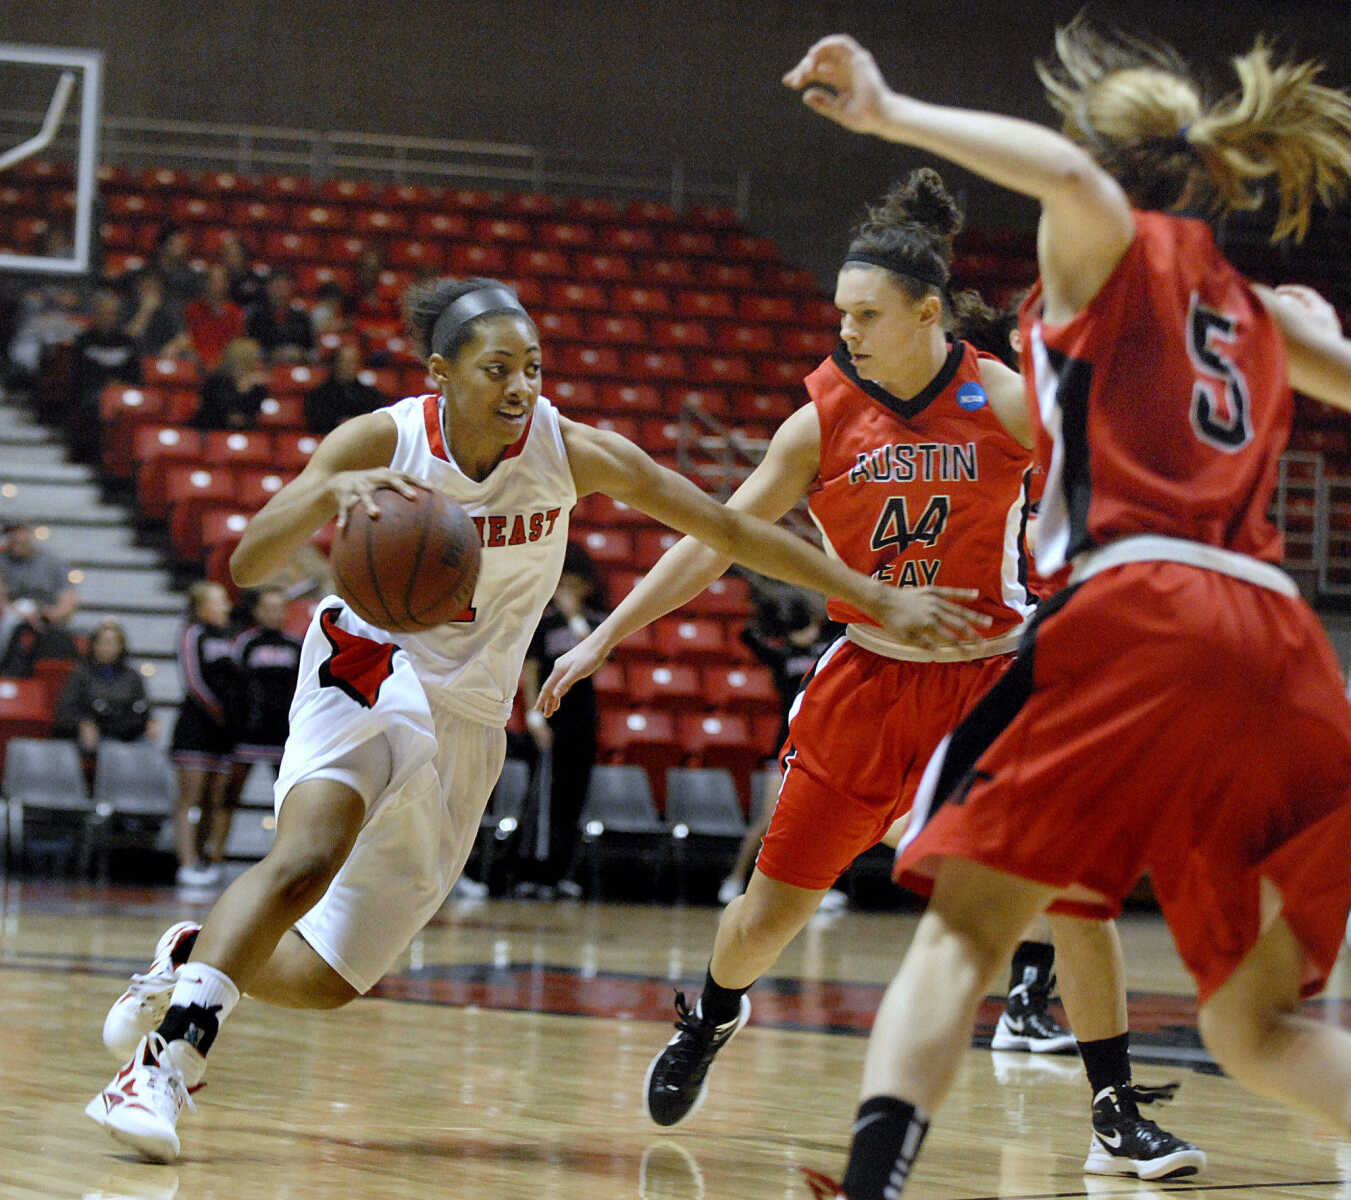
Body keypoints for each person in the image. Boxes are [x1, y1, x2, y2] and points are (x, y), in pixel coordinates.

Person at [86, 275, 984, 1164]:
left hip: (473, 709)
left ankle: (197, 952)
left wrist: (870, 595)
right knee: (307, 856)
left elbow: (727, 529)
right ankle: (163, 1066)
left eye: (534, 367)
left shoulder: (570, 451)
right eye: (497, 369)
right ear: (441, 373)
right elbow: (247, 564)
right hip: (367, 660)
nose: (520, 387)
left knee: (328, 980)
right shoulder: (383, 438)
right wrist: (331, 493)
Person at [780, 22, 1351, 1200]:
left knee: (962, 930)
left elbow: (1064, 177)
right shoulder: (1262, 311)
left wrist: (888, 111)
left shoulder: (1105, 245)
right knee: (1255, 1030)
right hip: (1279, 646)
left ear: (1106, 157)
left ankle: (874, 1181)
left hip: (1141, 599)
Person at [541, 167, 1195, 1169]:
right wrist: (603, 637)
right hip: (870, 682)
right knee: (766, 918)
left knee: (1077, 896)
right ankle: (713, 1013)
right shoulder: (819, 419)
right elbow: (716, 536)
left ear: (927, 313)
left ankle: (1114, 1110)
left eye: (865, 314)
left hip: (991, 681)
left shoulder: (1002, 396)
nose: (844, 330)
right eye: (840, 313)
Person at [718, 590, 843, 907]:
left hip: (821, 745)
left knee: (817, 821)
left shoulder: (825, 651)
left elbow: (843, 627)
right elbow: (747, 636)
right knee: (768, 817)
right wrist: (767, 610)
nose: (806, 632)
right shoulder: (782, 655)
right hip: (785, 744)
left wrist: (818, 609)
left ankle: (814, 890)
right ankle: (735, 878)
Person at [509, 541, 607, 899]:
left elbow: (598, 657)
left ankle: (561, 873)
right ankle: (528, 873)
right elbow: (532, 671)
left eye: (574, 586)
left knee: (573, 798)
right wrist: (534, 718)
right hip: (551, 719)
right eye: (562, 585)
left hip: (582, 720)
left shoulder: (595, 623)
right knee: (542, 798)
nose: (567, 592)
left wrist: (574, 617)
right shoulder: (544, 623)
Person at [212, 586, 304, 864]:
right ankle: (214, 857)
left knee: (289, 801)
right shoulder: (244, 643)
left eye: (279, 608)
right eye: (268, 608)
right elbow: (232, 687)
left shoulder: (296, 645)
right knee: (229, 796)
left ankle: (289, 860)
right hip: (247, 734)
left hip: (283, 736)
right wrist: (235, 725)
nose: (274, 614)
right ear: (257, 611)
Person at [167, 581, 239, 890]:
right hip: (196, 726)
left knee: (215, 798)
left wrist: (234, 716)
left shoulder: (231, 636)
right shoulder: (192, 633)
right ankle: (186, 862)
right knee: (191, 797)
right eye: (218, 601)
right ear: (201, 607)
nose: (226, 606)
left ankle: (204, 858)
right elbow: (193, 681)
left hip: (224, 730)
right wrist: (219, 711)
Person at [53, 617, 153, 772]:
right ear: (94, 645)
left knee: (149, 749)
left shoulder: (132, 677)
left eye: (112, 643)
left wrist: (150, 722)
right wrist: (82, 723)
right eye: (103, 642)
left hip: (126, 731)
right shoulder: (81, 674)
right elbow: (65, 710)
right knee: (109, 750)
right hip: (95, 732)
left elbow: (143, 707)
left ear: (121, 646)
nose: (107, 647)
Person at [67, 287, 143, 461]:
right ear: (95, 314)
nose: (107, 317)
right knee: (95, 405)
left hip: (123, 394)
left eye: (112, 313)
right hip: (92, 396)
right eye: (103, 312)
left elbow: (137, 377)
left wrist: (121, 386)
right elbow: (78, 378)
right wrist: (105, 387)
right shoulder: (83, 341)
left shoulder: (128, 343)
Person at [0, 519, 79, 659]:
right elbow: (2, 599)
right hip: (13, 613)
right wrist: (25, 615)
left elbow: (69, 598)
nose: (16, 538)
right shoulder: (3, 561)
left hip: (47, 614)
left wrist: (51, 615)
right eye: (11, 534)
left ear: (29, 534)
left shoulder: (52, 562)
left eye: (20, 532)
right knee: (21, 608)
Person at [303, 343, 386, 435]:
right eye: (344, 361)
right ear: (335, 363)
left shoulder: (371, 395)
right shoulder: (319, 395)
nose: (349, 366)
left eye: (353, 362)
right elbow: (316, 422)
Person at [191, 337, 268, 431]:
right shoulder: (216, 381)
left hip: (243, 432)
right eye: (255, 358)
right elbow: (222, 411)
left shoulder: (257, 386)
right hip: (210, 430)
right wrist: (242, 388)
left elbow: (254, 414)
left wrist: (252, 388)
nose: (258, 363)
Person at [183, 263, 246, 371]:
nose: (216, 284)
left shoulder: (235, 313)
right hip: (197, 361)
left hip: (226, 364)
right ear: (206, 283)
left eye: (220, 280)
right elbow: (187, 337)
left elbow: (236, 343)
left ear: (226, 284)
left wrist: (220, 362)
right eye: (212, 280)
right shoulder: (193, 309)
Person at [244, 269, 314, 362]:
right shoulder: (256, 317)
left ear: (291, 290)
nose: (280, 293)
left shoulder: (302, 317)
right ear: (268, 289)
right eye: (276, 287)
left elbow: (312, 350)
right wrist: (271, 354)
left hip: (297, 364)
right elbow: (250, 348)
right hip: (265, 365)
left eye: (284, 288)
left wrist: (301, 353)